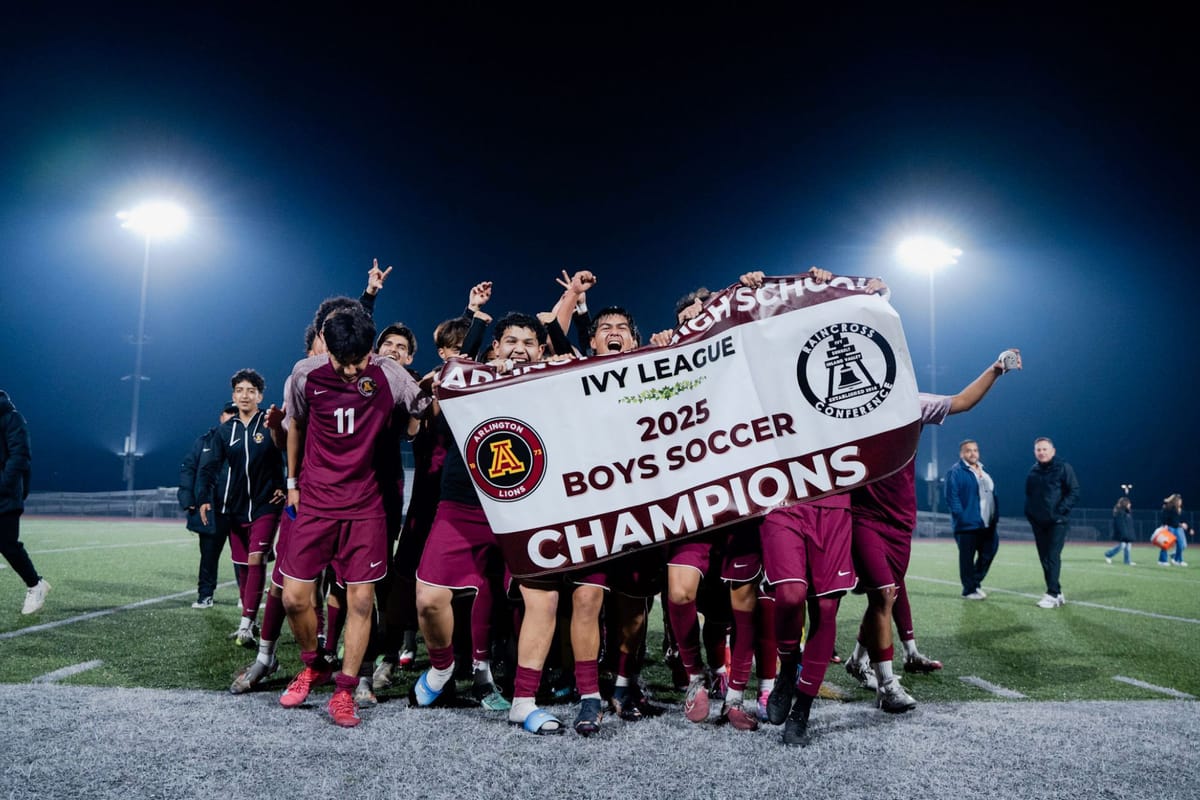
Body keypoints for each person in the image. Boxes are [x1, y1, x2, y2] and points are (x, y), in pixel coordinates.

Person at [278, 306, 432, 727]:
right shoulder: (305, 374)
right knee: (293, 597)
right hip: (315, 500)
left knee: (361, 599)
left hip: (366, 504)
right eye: (341, 362)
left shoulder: (389, 373)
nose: (350, 371)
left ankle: (345, 690)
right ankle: (313, 664)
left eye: (358, 361)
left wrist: (414, 414)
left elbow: (421, 408)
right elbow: (295, 425)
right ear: (325, 346)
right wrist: (292, 481)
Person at [198, 369, 287, 647]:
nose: (244, 395)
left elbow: (285, 449)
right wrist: (203, 497)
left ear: (260, 395)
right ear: (233, 395)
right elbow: (210, 466)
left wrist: (283, 486)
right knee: (242, 565)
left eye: (250, 390)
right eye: (239, 390)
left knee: (257, 558)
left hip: (266, 504)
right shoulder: (225, 432)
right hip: (235, 508)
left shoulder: (270, 422)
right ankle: (251, 620)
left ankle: (246, 624)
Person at [177, 401, 236, 608]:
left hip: (240, 510)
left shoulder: (250, 442)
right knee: (208, 556)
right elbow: (188, 468)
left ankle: (247, 598)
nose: (232, 416)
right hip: (211, 510)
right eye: (229, 412)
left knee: (244, 558)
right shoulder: (204, 442)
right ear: (221, 417)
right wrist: (187, 499)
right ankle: (205, 595)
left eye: (236, 413)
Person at [1, 389, 50, 615]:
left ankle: (35, 585)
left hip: (6, 495)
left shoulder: (12, 418)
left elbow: (20, 456)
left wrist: (3, 486)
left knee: (7, 544)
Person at [1023, 437, 1080, 608]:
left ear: (1053, 451)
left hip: (1057, 521)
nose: (1041, 452)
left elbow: (1074, 491)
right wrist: (1030, 514)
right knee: (1044, 558)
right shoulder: (1033, 471)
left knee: (1052, 556)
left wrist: (1060, 511)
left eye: (1044, 449)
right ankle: (1057, 591)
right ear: (1035, 452)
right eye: (1038, 450)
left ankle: (1052, 594)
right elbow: (1029, 494)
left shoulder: (1063, 467)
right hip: (1038, 522)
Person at [945, 439, 999, 599]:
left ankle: (973, 583)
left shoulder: (984, 472)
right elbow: (951, 497)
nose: (972, 453)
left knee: (989, 551)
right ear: (962, 454)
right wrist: (961, 517)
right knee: (967, 559)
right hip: (967, 524)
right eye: (968, 450)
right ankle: (969, 590)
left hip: (987, 524)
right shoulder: (955, 472)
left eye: (975, 450)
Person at [1159, 493, 1188, 567]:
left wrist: (1182, 525)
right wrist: (1164, 525)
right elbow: (1164, 517)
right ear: (1175, 500)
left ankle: (1177, 560)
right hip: (1170, 527)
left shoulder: (1179, 509)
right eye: (1179, 500)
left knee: (1180, 545)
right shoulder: (1168, 507)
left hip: (1177, 528)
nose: (1181, 501)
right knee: (1166, 544)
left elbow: (1178, 520)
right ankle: (1162, 561)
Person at [1105, 496, 1135, 566]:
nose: (1130, 505)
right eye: (1129, 503)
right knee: (1122, 546)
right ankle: (1108, 554)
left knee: (1128, 547)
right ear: (1125, 504)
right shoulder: (1119, 513)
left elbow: (1129, 525)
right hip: (1123, 533)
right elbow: (1120, 525)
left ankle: (1127, 561)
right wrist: (1123, 533)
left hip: (1127, 533)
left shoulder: (1127, 513)